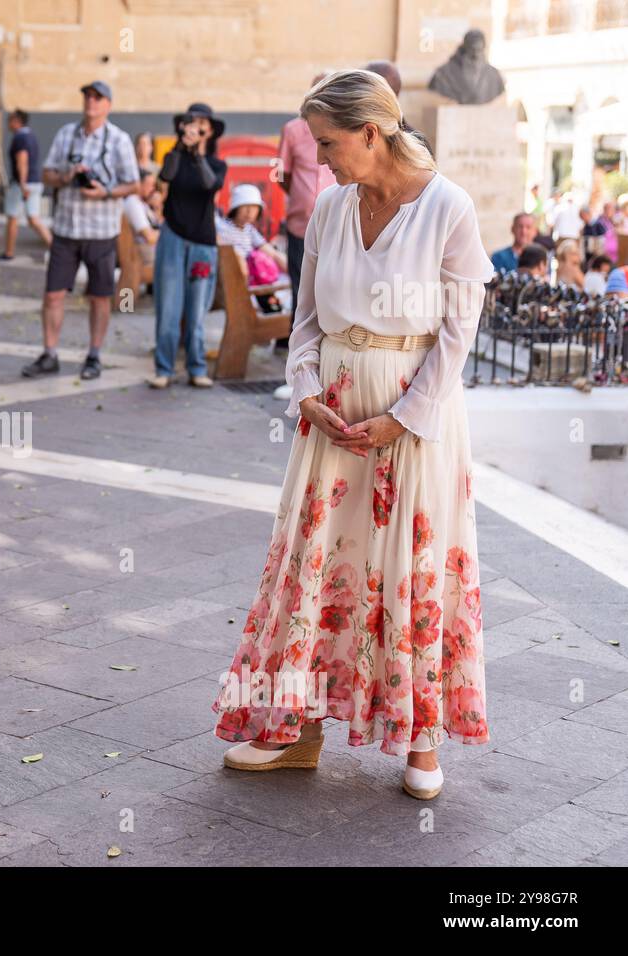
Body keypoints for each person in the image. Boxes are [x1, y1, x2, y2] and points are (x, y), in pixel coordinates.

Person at [211, 69, 494, 802]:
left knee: (415, 566)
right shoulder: (332, 208)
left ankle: (422, 737)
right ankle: (295, 730)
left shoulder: (449, 208)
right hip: (330, 420)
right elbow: (307, 318)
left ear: (372, 132)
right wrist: (305, 391)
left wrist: (404, 416)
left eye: (329, 144)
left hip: (414, 424)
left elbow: (459, 335)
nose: (321, 160)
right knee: (312, 568)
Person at [22, 80, 139, 381]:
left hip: (101, 231)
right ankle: (50, 354)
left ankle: (94, 354)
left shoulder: (119, 140)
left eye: (98, 97)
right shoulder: (66, 134)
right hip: (65, 229)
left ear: (108, 105)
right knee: (52, 295)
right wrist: (68, 175)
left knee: (100, 297)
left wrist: (106, 191)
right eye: (87, 96)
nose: (91, 101)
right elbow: (46, 174)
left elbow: (134, 184)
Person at [144, 101, 225, 389]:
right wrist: (181, 147)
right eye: (192, 122)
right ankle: (163, 369)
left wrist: (198, 152)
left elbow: (209, 185)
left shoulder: (216, 164)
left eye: (203, 123)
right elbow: (164, 177)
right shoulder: (173, 157)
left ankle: (196, 367)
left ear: (211, 131)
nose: (196, 127)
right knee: (168, 307)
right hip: (172, 238)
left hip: (203, 243)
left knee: (196, 313)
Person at [278, 76, 337, 352]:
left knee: (329, 287)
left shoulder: (342, 128)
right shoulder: (291, 130)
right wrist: (299, 198)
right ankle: (298, 351)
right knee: (301, 289)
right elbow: (280, 173)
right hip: (300, 222)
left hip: (334, 225)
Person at [216, 183, 289, 312]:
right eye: (245, 207)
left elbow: (268, 250)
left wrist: (288, 266)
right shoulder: (223, 227)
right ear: (235, 208)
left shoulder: (249, 230)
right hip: (237, 275)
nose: (250, 212)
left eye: (254, 208)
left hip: (254, 274)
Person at [0, 110, 51, 260]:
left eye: (10, 120)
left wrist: (22, 184)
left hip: (22, 183)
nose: (8, 123)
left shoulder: (20, 137)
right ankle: (55, 248)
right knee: (33, 219)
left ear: (17, 120)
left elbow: (22, 160)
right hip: (35, 181)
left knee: (12, 217)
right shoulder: (31, 136)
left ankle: (8, 252)